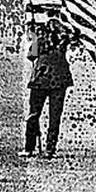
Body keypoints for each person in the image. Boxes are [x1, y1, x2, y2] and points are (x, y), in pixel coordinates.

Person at [24, 14, 76, 158]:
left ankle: (29, 147)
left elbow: (31, 56)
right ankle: (50, 148)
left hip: (41, 78)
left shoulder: (39, 39)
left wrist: (33, 36)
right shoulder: (64, 38)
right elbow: (73, 36)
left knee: (34, 113)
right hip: (60, 79)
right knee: (55, 116)